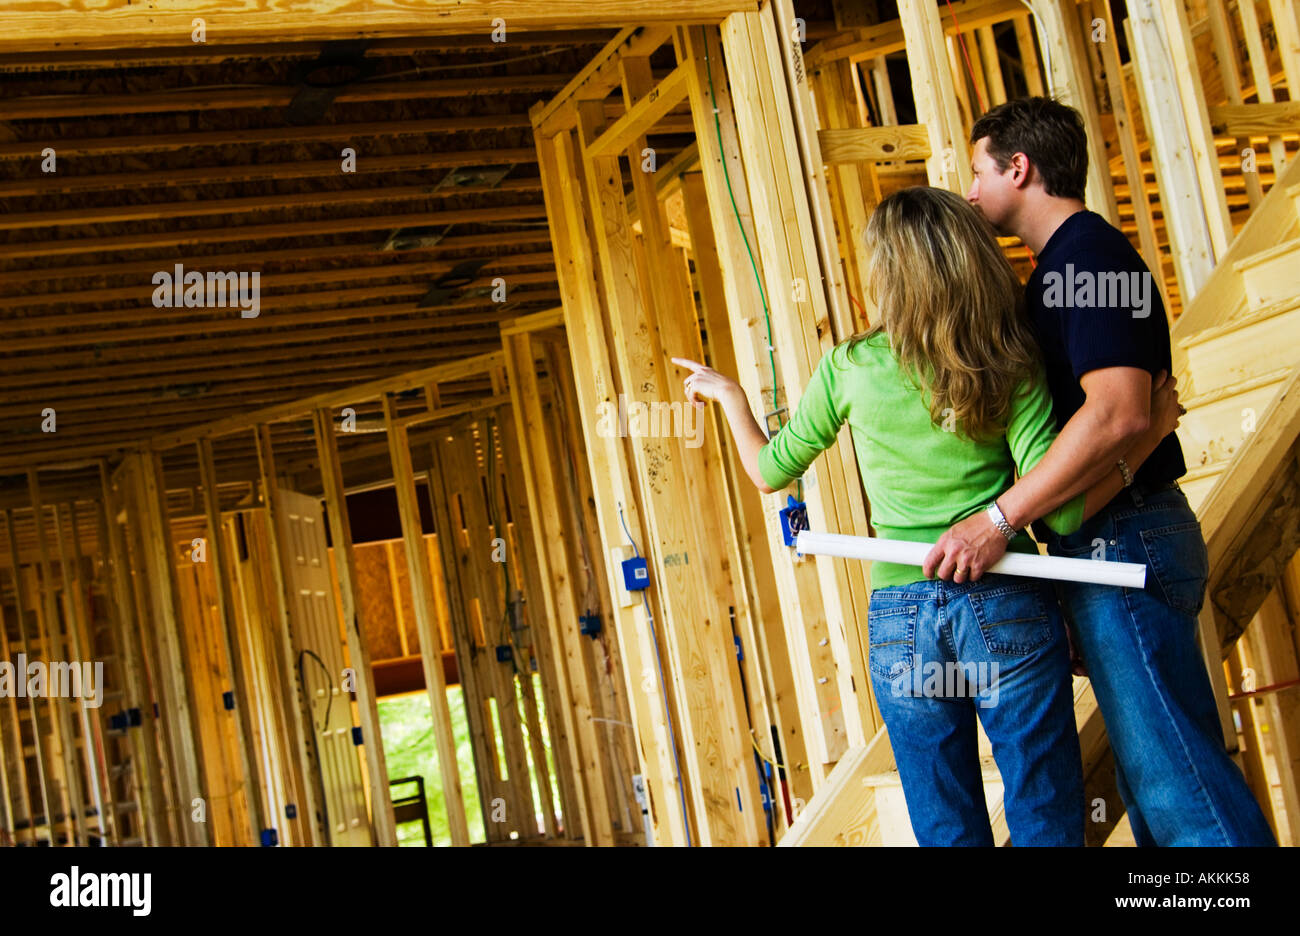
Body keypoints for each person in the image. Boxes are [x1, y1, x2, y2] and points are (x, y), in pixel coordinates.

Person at [673, 185, 1180, 846]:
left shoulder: (849, 367)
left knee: (946, 829)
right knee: (1046, 814)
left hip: (900, 621)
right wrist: (1140, 446)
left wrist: (733, 399)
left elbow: (771, 472)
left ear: (885, 275)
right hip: (1006, 601)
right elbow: (1056, 515)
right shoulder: (1011, 360)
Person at [924, 96, 1276, 846]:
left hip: (1127, 540)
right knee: (1156, 793)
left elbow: (1119, 411)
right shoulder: (1061, 268)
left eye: (977, 172)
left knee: (1184, 796)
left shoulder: (1087, 259)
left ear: (1018, 168)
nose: (970, 191)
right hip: (1107, 545)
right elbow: (1130, 417)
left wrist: (998, 519)